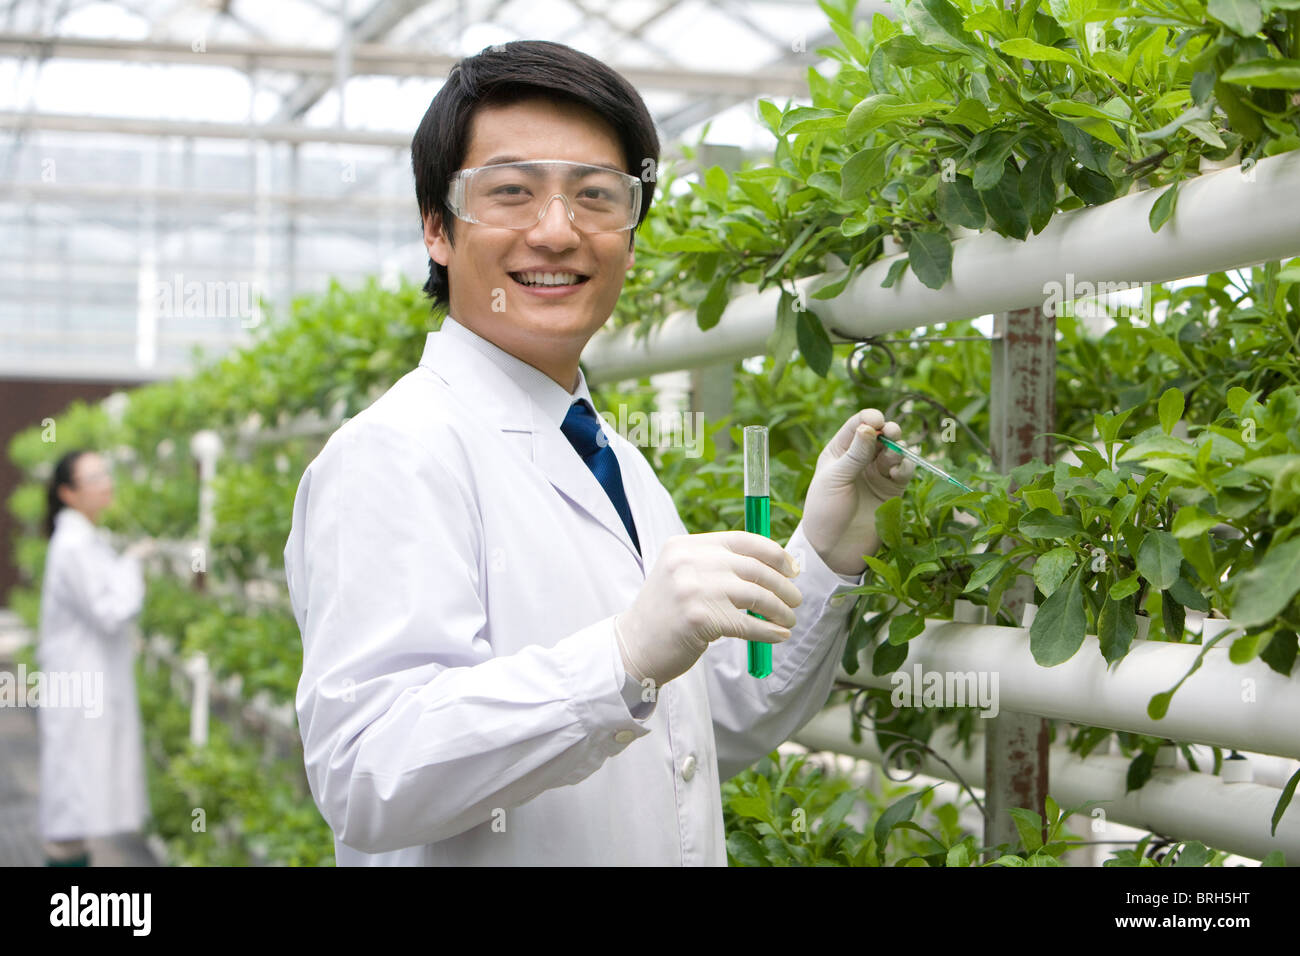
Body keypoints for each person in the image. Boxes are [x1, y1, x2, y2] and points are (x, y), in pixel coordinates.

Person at [283, 39, 915, 866]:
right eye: (511, 192)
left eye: (596, 196)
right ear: (437, 227)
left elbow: (702, 722)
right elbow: (369, 770)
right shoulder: (392, 454)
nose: (557, 231)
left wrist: (824, 554)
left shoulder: (611, 456)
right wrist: (619, 655)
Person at [37, 449, 152, 866]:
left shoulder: (83, 538)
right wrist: (133, 565)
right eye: (95, 477)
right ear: (68, 493)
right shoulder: (73, 545)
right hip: (79, 685)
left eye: (106, 474)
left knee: (78, 794)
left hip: (85, 681)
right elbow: (110, 611)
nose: (107, 484)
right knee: (72, 796)